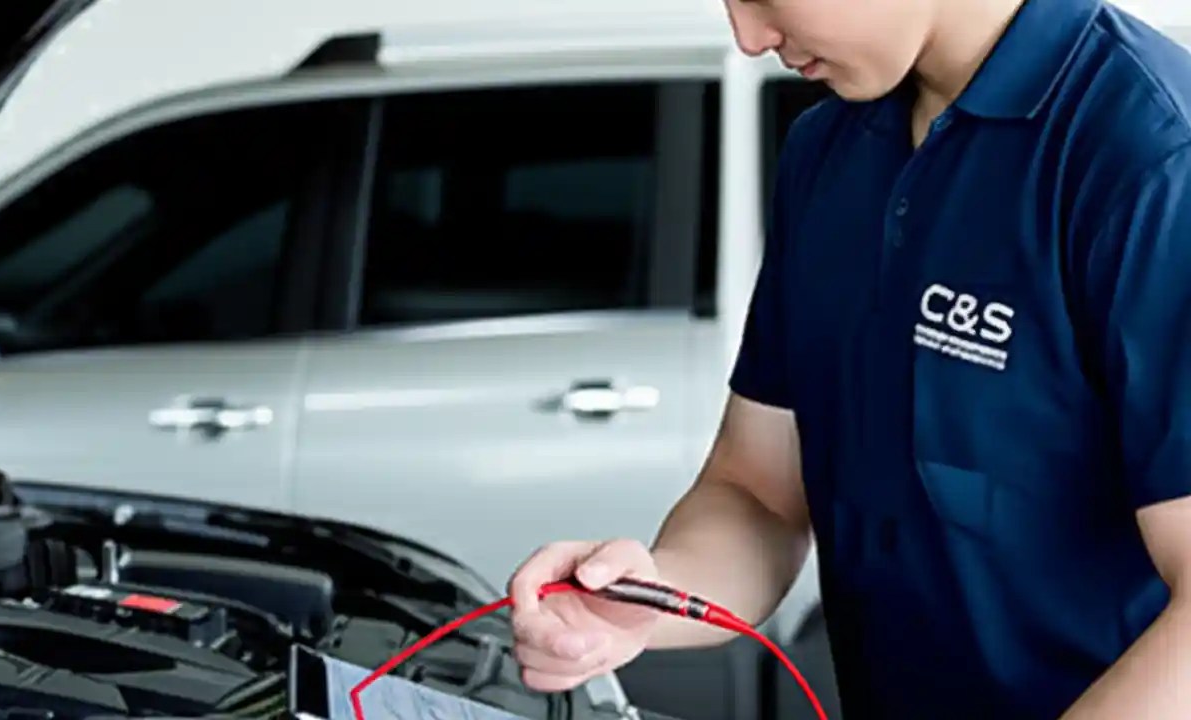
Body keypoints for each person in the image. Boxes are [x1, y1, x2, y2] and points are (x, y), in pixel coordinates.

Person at [506, 0, 1191, 717]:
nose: (748, 37)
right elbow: (758, 493)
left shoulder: (1151, 157)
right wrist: (648, 597)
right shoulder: (828, 149)